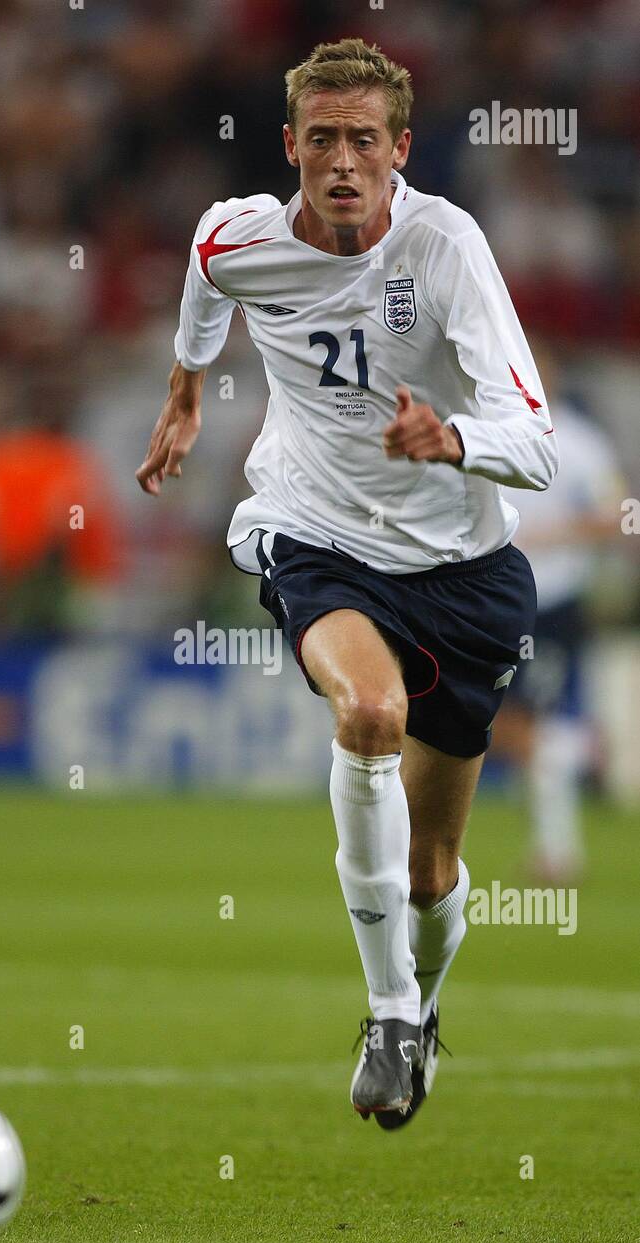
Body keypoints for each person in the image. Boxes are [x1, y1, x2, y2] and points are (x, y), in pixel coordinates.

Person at [137, 39, 558, 1128]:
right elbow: (205, 275)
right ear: (290, 145)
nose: (340, 160)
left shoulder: (444, 246)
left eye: (361, 140)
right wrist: (185, 390)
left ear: (398, 150)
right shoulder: (242, 233)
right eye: (320, 138)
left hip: (462, 571)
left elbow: (538, 441)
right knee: (368, 713)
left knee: (433, 871)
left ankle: (420, 1004)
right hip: (314, 531)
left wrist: (455, 437)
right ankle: (386, 1011)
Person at [494, 345, 624, 883]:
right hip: (504, 600)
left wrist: (548, 537)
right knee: (508, 724)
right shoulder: (495, 430)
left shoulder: (579, 442)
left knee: (532, 728)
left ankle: (558, 852)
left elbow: (615, 516)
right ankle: (586, 746)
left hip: (554, 601)